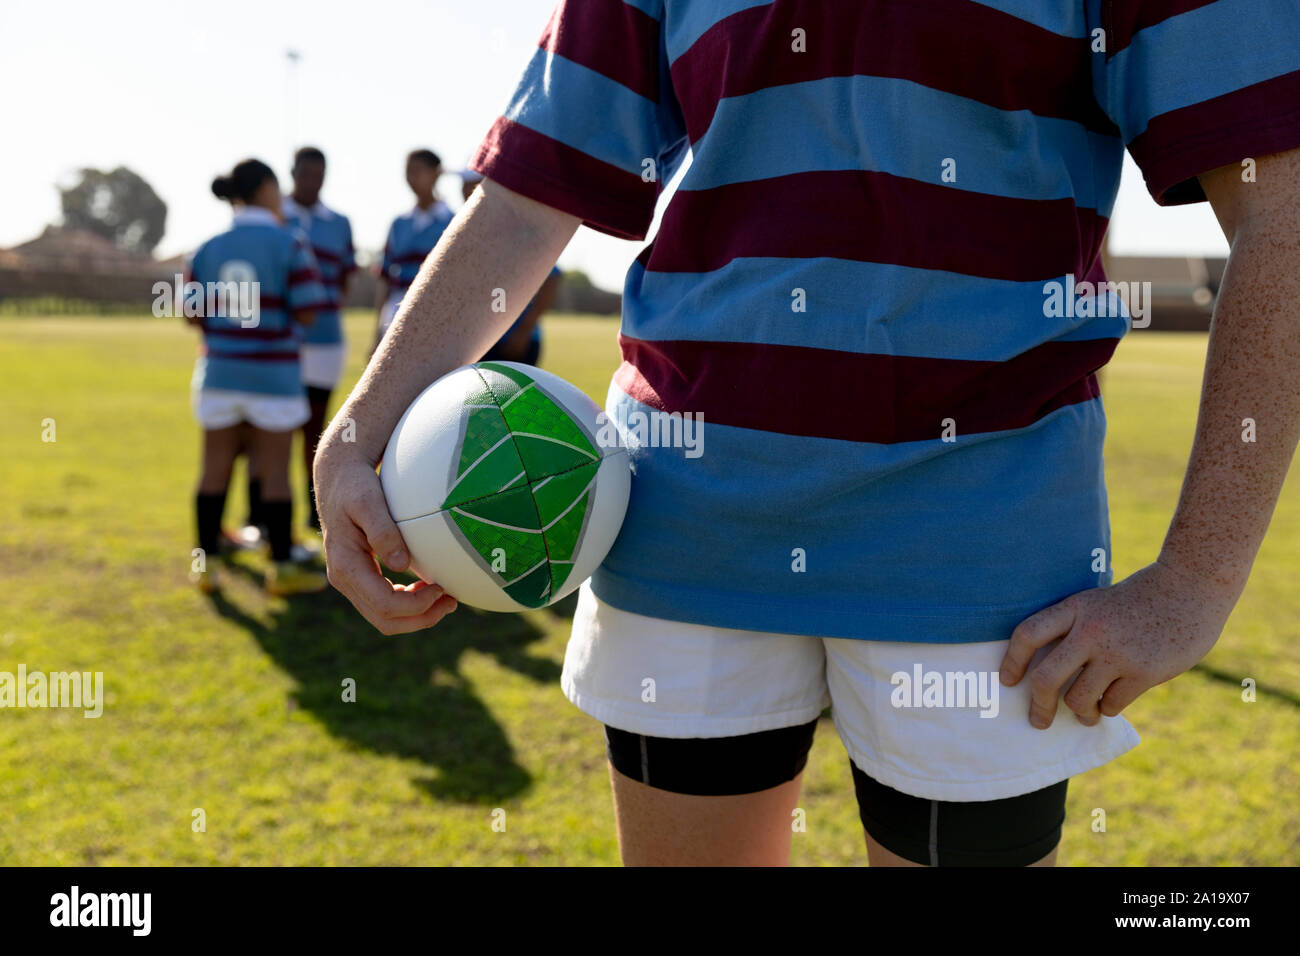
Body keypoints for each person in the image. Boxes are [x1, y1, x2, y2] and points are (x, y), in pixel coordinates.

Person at [313, 1, 1300, 866]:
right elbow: (532, 197)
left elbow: (1281, 207)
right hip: (679, 521)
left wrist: (1195, 584)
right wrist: (361, 425)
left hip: (978, 554)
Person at [186, 158, 330, 596]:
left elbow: (192, 313)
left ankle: (206, 566)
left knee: (213, 470)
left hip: (219, 373)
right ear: (266, 188)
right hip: (273, 376)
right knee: (274, 473)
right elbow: (308, 307)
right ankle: (282, 569)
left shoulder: (208, 246)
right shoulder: (290, 242)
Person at [282, 146, 357, 532]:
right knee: (272, 429)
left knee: (315, 429)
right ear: (292, 172)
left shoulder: (339, 222)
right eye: (306, 173)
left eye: (319, 174)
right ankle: (263, 513)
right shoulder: (275, 216)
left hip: (325, 339)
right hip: (282, 340)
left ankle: (314, 511)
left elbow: (345, 275)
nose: (313, 181)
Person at [462, 168, 561, 366]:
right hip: (474, 343)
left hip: (514, 343)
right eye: (464, 184)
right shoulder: (466, 229)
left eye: (473, 183)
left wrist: (523, 330)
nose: (465, 190)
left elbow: (552, 277)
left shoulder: (516, 227)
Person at [373, 150, 455, 349]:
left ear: (436, 174)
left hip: (436, 313)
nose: (411, 177)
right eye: (408, 171)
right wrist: (377, 331)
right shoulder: (399, 223)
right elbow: (385, 278)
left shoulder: (453, 221)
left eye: (418, 171)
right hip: (395, 312)